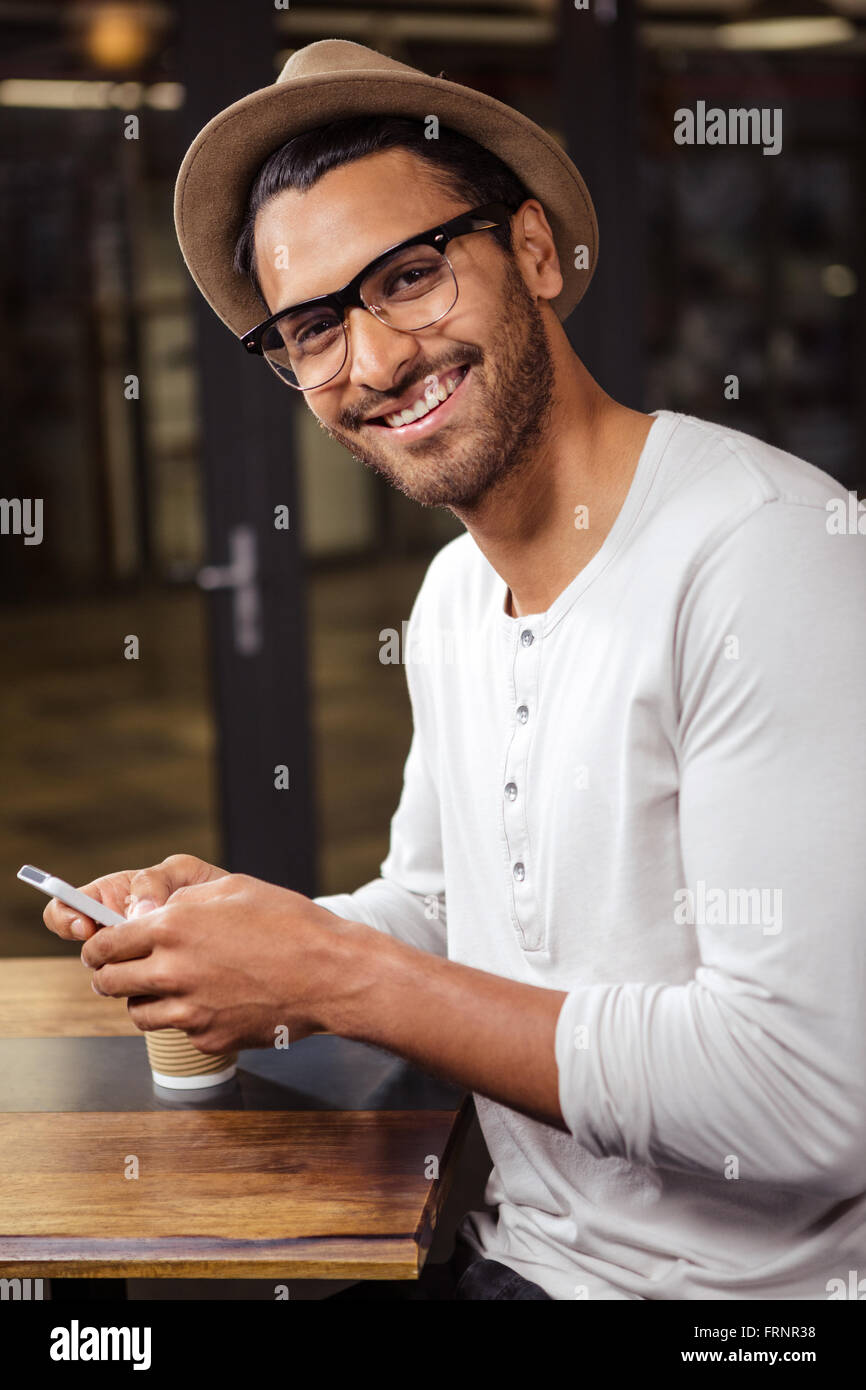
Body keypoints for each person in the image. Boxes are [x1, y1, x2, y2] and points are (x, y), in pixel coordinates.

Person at [45, 40, 866, 1301]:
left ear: (532, 252)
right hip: (493, 1249)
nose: (371, 363)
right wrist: (246, 938)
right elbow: (441, 910)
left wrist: (335, 975)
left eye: (411, 276)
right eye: (313, 329)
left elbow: (808, 1098)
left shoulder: (766, 557)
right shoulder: (448, 598)